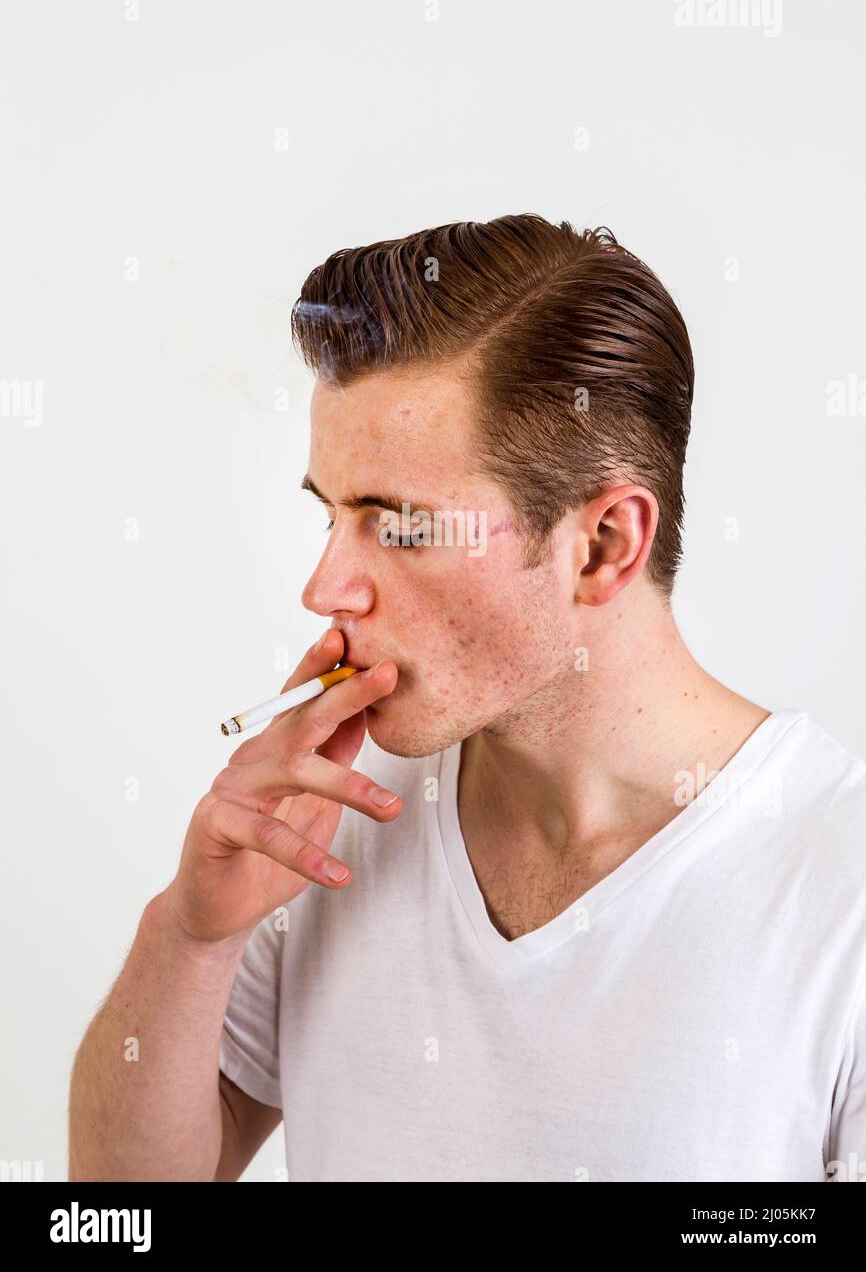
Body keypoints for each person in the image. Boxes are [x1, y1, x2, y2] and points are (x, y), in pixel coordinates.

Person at [69, 214, 866, 1182]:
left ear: (603, 545)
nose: (324, 590)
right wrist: (192, 935)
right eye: (330, 513)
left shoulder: (833, 889)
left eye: (395, 524)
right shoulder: (326, 828)